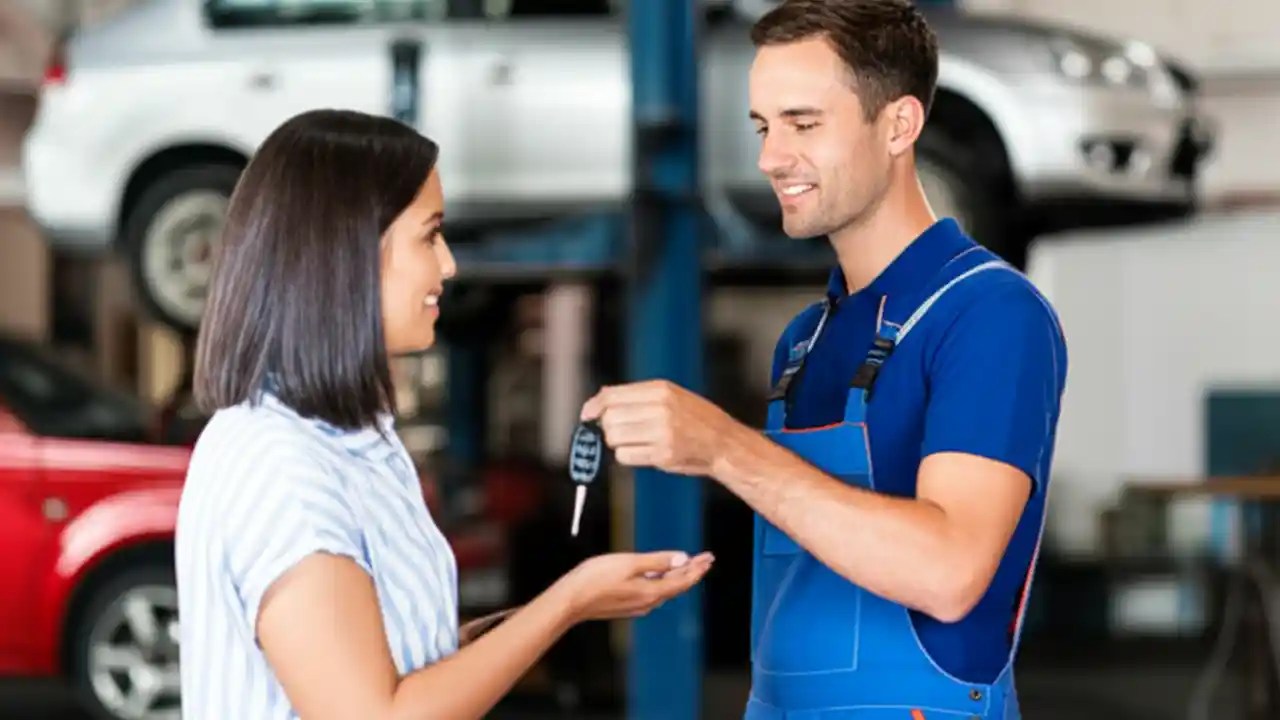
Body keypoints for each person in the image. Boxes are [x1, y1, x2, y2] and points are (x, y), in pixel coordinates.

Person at [579, 1, 1068, 718]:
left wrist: (722, 448)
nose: (771, 157)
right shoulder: (804, 343)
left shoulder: (989, 314)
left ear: (899, 125)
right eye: (763, 126)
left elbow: (950, 571)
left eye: (803, 124)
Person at [174, 108, 713, 720]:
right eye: (430, 235)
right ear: (347, 252)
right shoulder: (279, 465)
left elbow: (389, 659)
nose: (449, 264)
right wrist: (567, 601)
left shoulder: (352, 442)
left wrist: (565, 609)